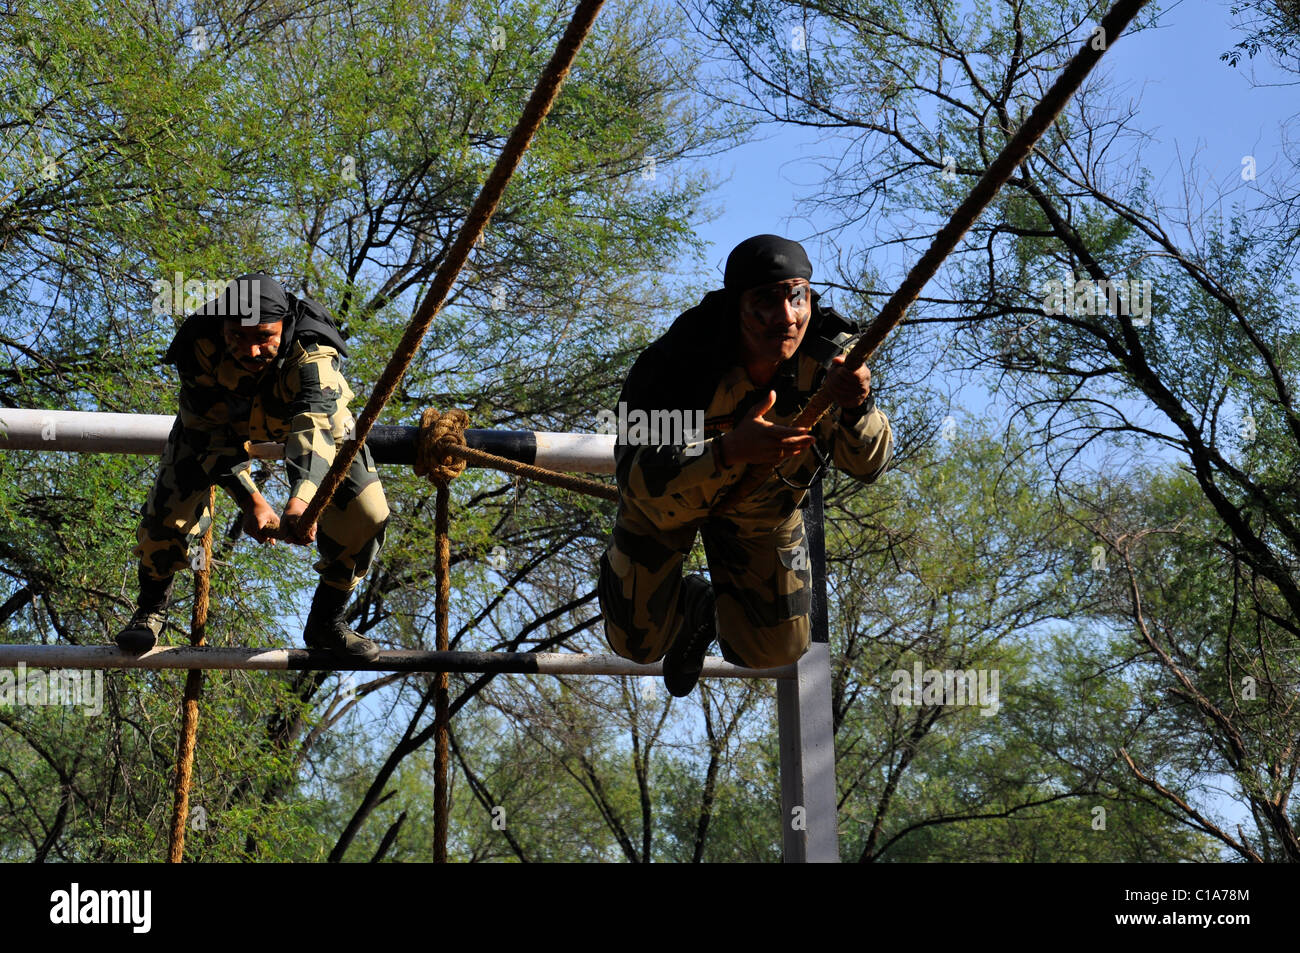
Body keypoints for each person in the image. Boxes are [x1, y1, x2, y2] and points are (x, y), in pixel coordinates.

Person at [598, 235, 893, 696]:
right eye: (766, 301)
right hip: (669, 507)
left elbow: (868, 466)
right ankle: (682, 602)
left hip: (763, 511)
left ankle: (711, 612)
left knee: (777, 651)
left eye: (798, 297)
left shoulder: (831, 357)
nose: (787, 316)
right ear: (737, 306)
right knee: (636, 643)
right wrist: (728, 451)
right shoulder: (677, 361)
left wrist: (857, 407)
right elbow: (635, 480)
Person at [116, 274, 390, 661]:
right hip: (224, 422)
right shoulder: (199, 344)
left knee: (368, 511)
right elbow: (206, 433)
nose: (250, 348)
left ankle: (327, 620)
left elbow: (313, 428)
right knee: (168, 508)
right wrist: (253, 501)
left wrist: (301, 502)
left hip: (313, 420)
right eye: (237, 336)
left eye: (263, 336)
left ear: (284, 327)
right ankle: (150, 608)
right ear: (223, 326)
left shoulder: (312, 351)